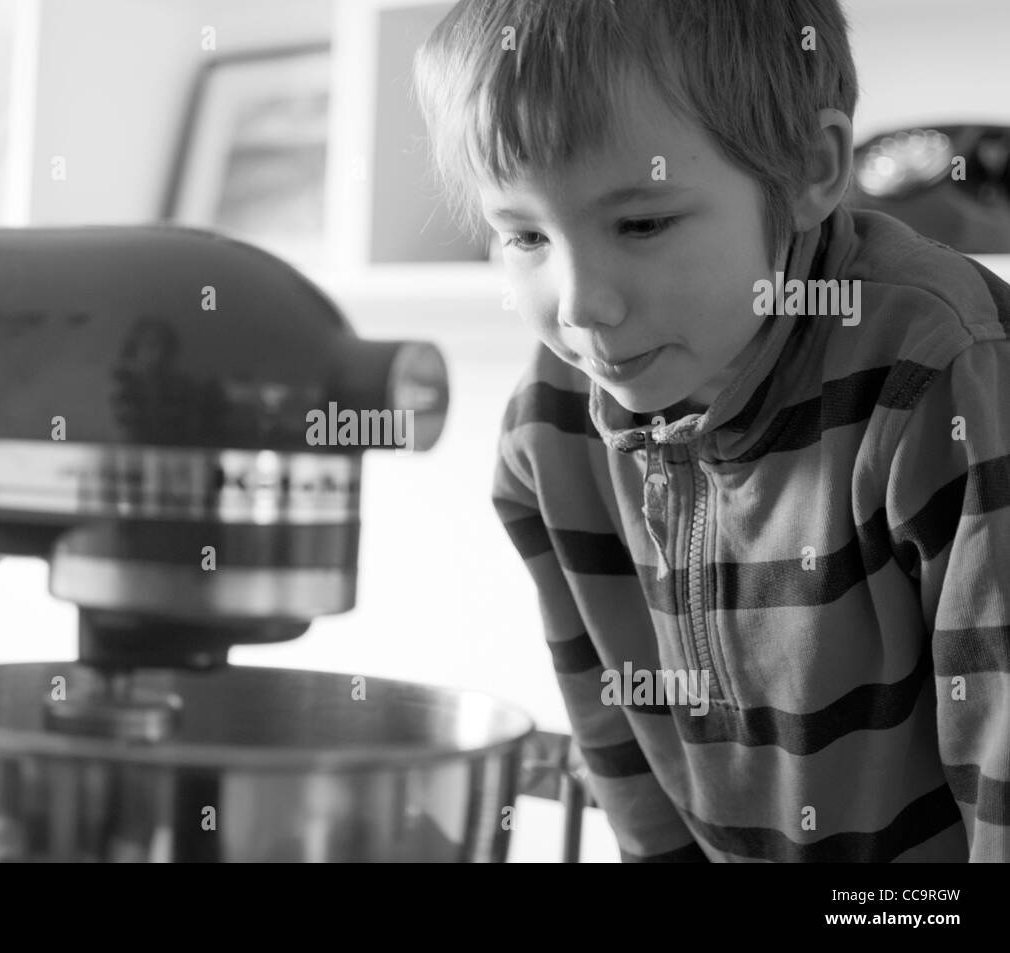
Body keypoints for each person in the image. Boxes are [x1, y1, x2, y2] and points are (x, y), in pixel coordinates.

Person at [415, 0, 1010, 861]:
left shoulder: (943, 374)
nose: (582, 306)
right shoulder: (548, 432)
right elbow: (616, 729)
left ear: (812, 167)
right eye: (525, 235)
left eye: (642, 223)